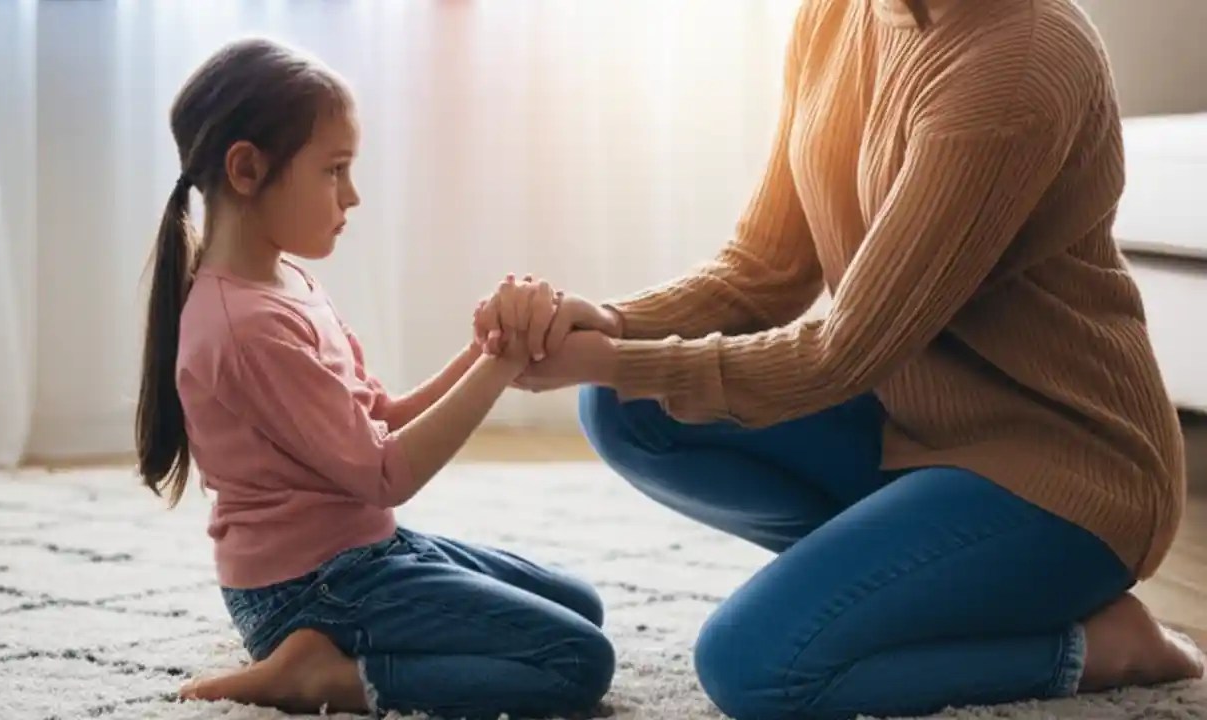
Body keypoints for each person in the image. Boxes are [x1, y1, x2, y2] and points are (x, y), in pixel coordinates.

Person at [475, 0, 1204, 718]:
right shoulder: (836, 13)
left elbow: (842, 354)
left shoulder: (1017, 65)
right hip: (916, 424)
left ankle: (1099, 646)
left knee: (754, 667)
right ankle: (910, 588)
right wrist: (613, 323)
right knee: (625, 406)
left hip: (1064, 469)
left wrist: (611, 357)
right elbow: (763, 266)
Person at [133, 37, 613, 719]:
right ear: (247, 169)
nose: (351, 195)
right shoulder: (247, 329)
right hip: (307, 587)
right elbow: (388, 474)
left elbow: (380, 414)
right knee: (577, 662)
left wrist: (489, 350)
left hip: (360, 552)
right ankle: (322, 678)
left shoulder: (284, 284)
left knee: (579, 606)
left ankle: (343, 651)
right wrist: (501, 365)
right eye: (334, 170)